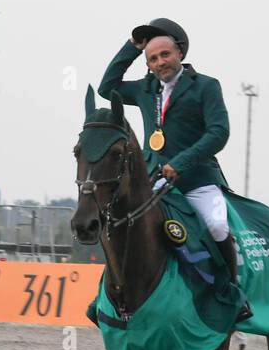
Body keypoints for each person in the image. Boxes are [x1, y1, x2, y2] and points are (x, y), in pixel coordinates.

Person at [98, 17, 250, 321]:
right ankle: (112, 297)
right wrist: (131, 47)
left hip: (197, 180)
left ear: (179, 52)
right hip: (153, 181)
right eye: (152, 58)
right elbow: (106, 88)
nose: (159, 62)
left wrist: (179, 164)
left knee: (218, 225)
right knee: (123, 224)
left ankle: (232, 291)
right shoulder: (145, 89)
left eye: (165, 54)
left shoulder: (206, 86)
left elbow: (218, 133)